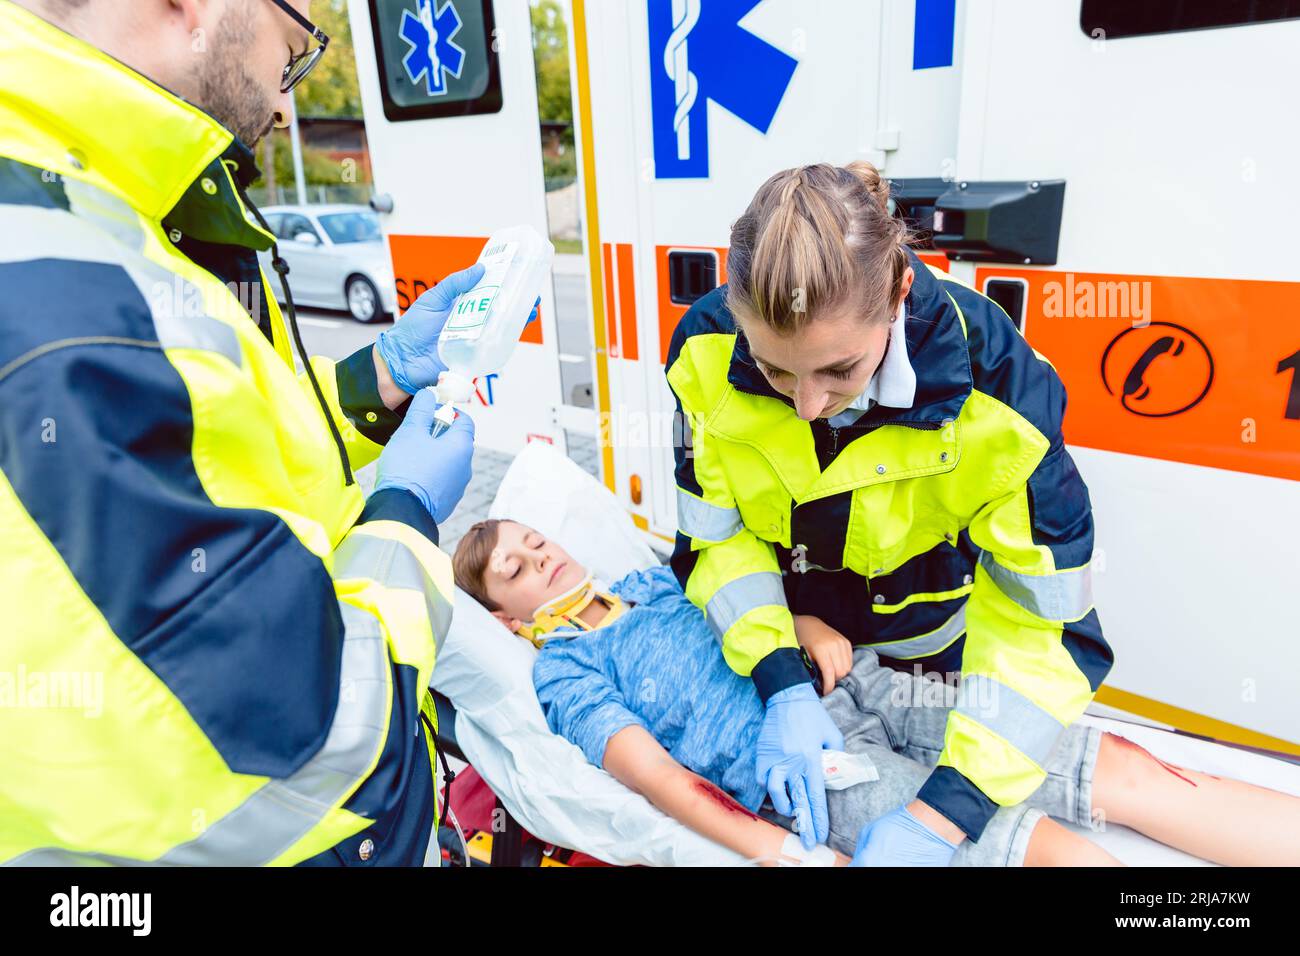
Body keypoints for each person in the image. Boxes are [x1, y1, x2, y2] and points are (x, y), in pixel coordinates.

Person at [0, 0, 484, 866]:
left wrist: (375, 382)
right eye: (292, 52)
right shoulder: (60, 293)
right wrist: (407, 514)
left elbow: (213, 444)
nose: (288, 106)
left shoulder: (101, 207)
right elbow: (315, 745)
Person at [665, 161, 1114, 862]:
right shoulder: (705, 351)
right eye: (774, 370)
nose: (807, 407)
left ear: (899, 292)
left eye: (839, 370)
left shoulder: (998, 389)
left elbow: (1044, 625)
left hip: (933, 650)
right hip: (802, 644)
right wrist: (779, 675)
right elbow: (715, 540)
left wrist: (946, 816)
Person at [451, 518, 1300, 866]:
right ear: (504, 616)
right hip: (811, 776)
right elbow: (659, 781)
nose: (541, 557)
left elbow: (751, 604)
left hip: (868, 689)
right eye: (515, 569)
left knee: (1123, 770)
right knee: (1034, 845)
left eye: (535, 540)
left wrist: (809, 628)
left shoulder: (653, 579)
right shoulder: (566, 671)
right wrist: (775, 851)